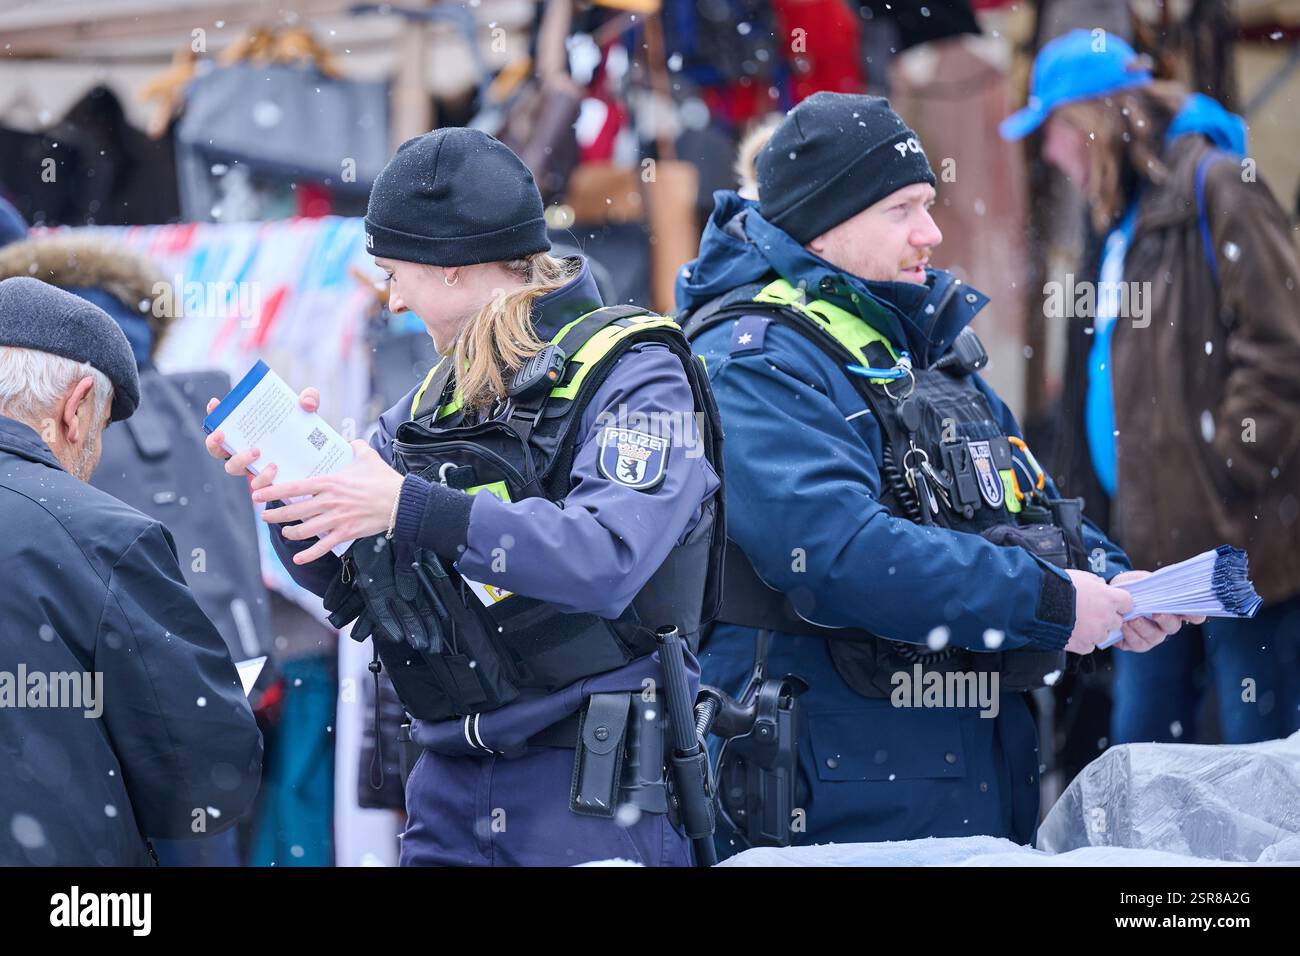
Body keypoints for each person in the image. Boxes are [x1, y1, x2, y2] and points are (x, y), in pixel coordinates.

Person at [677, 92, 1199, 854]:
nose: (933, 232)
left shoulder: (921, 345)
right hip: (834, 799)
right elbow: (835, 553)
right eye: (901, 209)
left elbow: (1028, 504)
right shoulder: (750, 360)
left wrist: (1117, 588)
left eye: (929, 203)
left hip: (970, 775)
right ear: (825, 224)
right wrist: (1053, 600)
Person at [207, 127, 724, 867]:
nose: (391, 299)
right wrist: (295, 491)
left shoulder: (639, 372)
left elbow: (609, 556)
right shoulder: (429, 400)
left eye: (394, 273)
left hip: (590, 789)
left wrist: (407, 506)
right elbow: (352, 582)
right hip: (447, 784)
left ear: (450, 268)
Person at [1002, 31, 1300, 745]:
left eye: (1052, 131)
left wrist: (1229, 470)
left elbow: (1281, 345)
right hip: (1153, 560)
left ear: (1090, 122)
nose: (1048, 154)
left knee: (1256, 782)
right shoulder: (1122, 219)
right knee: (1143, 770)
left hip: (1240, 553)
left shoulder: (1220, 183)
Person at [0, 276, 263, 866]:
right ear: (75, 409)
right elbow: (207, 775)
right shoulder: (102, 537)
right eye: (99, 433)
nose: (91, 462)